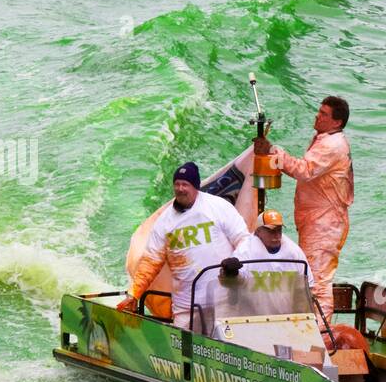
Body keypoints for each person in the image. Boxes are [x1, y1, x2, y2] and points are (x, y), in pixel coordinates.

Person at [253, 96, 353, 323]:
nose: (318, 116)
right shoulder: (326, 139)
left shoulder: (331, 145)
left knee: (318, 282)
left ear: (337, 122)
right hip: (320, 220)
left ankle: (321, 338)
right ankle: (313, 330)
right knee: (311, 276)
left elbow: (305, 170)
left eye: (324, 114)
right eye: (319, 111)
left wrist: (272, 152)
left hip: (326, 222)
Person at [118, 162, 249, 330]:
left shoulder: (218, 207)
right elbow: (150, 262)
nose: (180, 189)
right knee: (183, 351)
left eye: (185, 184)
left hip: (224, 299)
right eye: (177, 184)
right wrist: (134, 294)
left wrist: (235, 262)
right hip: (186, 306)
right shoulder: (165, 221)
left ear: (196, 187)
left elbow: (244, 240)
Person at [227, 209, 314, 317]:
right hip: (252, 319)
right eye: (271, 231)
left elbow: (306, 289)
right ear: (258, 231)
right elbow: (232, 284)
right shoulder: (245, 251)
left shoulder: (294, 253)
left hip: (289, 320)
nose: (276, 235)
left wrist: (305, 318)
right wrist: (229, 272)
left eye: (279, 230)